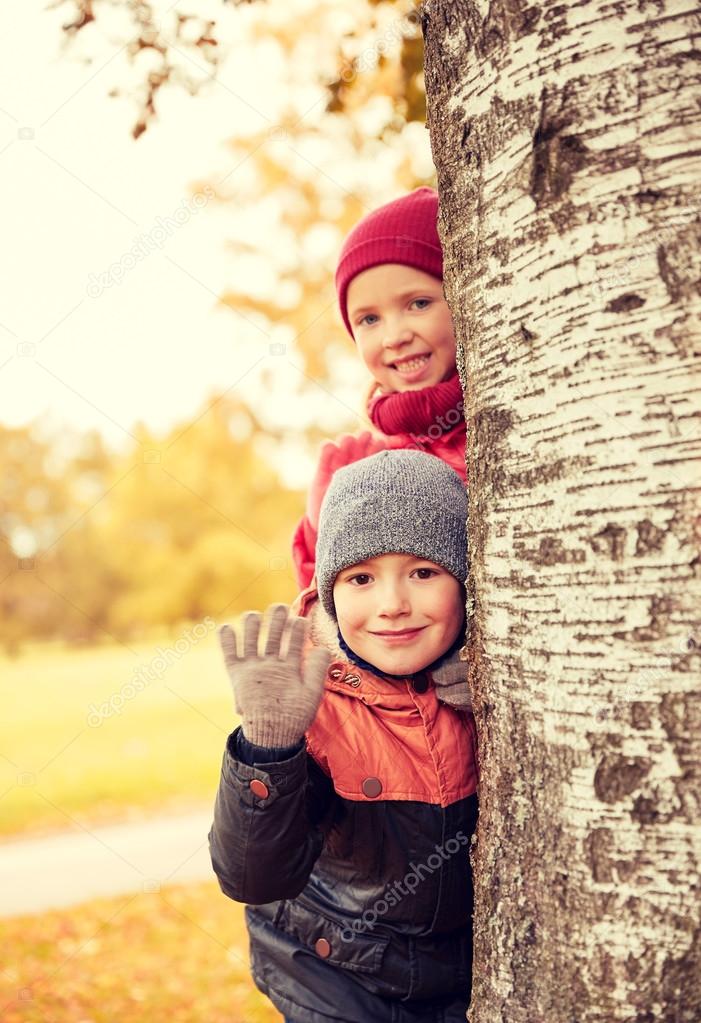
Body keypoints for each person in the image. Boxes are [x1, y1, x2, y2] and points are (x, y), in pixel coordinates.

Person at [209, 449, 478, 1023]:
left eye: (424, 572)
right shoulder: (313, 704)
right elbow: (253, 875)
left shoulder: (486, 691)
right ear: (330, 594)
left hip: (461, 979)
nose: (393, 606)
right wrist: (269, 747)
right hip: (333, 977)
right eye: (360, 578)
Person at [292, 186, 466, 590]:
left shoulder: (508, 417)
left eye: (418, 304)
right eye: (369, 319)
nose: (394, 336)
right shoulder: (372, 461)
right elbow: (343, 620)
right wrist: (324, 523)